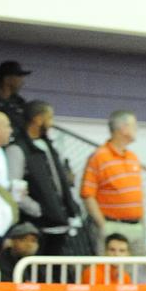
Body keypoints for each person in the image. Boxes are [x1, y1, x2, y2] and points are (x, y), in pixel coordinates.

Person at [20, 102, 87, 255]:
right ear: (38, 120)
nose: (52, 123)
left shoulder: (47, 145)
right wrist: (38, 210)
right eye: (49, 118)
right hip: (39, 224)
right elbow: (16, 188)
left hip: (59, 219)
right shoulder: (20, 148)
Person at [80, 111, 145, 255]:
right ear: (123, 128)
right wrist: (103, 226)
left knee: (134, 274)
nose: (137, 129)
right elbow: (87, 193)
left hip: (136, 226)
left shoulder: (132, 157)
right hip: (112, 226)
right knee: (108, 273)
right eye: (134, 125)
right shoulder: (99, 156)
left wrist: (142, 224)